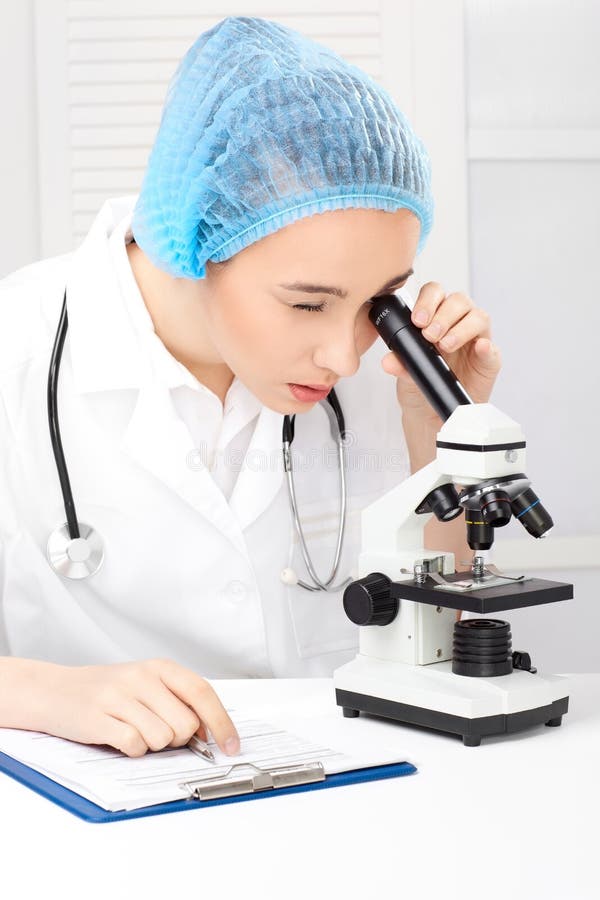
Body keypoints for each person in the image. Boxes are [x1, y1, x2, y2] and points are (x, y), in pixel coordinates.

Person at [0, 16, 501, 758]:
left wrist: (439, 441)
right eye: (306, 303)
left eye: (377, 303)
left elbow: (448, 633)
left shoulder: (391, 372)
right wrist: (42, 692)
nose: (344, 355)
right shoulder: (20, 344)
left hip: (350, 799)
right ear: (197, 238)